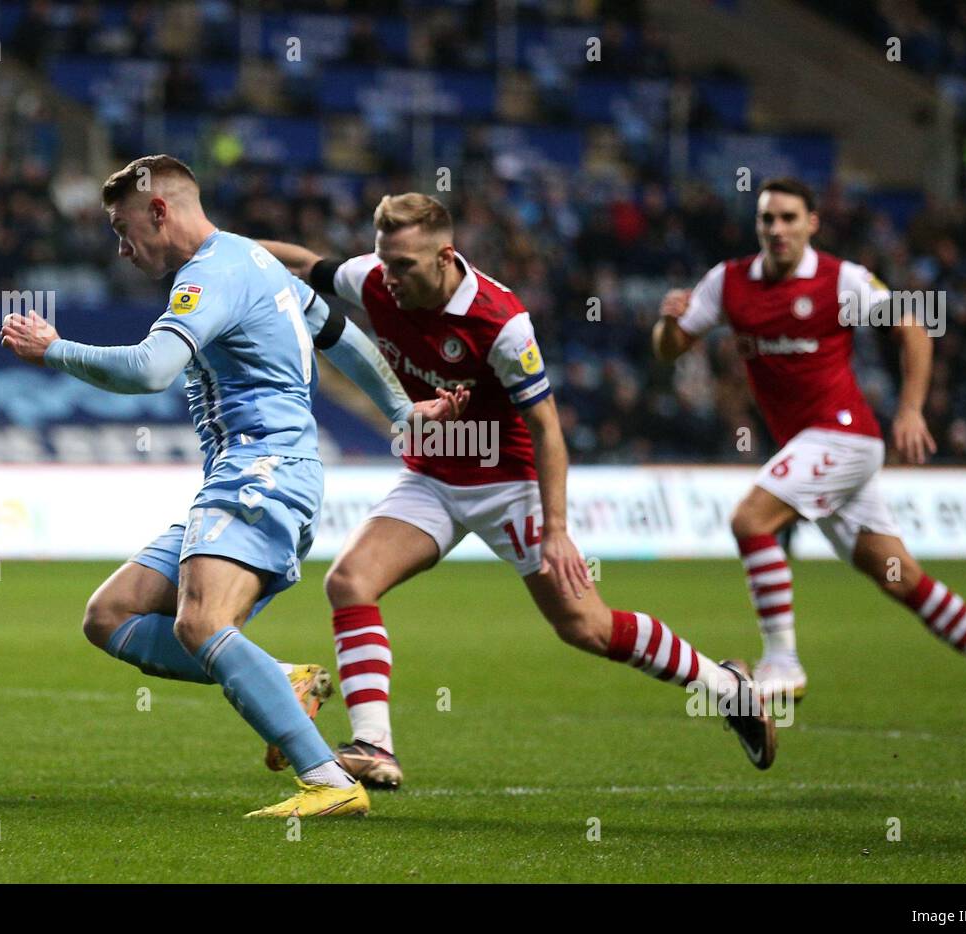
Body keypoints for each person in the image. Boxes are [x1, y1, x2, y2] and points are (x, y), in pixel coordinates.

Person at [258, 192, 776, 790]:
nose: (388, 277)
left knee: (588, 628)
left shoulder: (500, 321)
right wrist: (220, 251)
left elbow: (548, 428)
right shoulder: (374, 277)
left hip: (509, 486)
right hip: (435, 475)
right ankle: (376, 746)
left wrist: (555, 531)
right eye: (383, 261)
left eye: (403, 266)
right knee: (349, 581)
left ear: (445, 256)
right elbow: (305, 265)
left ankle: (725, 688)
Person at [0, 155, 465, 816]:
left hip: (263, 471)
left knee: (201, 623)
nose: (121, 247)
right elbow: (338, 333)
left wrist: (54, 349)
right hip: (243, 475)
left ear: (159, 210)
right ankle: (283, 681)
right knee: (109, 616)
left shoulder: (210, 276)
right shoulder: (253, 259)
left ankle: (330, 784)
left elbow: (152, 369)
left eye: (122, 227)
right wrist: (400, 411)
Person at [652, 177, 966, 727]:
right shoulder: (729, 281)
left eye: (790, 218)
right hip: (814, 449)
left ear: (812, 223)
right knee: (898, 576)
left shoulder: (844, 279)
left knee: (750, 521)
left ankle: (782, 663)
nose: (778, 229)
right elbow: (670, 349)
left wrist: (910, 409)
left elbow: (914, 327)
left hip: (844, 436)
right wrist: (670, 322)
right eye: (768, 218)